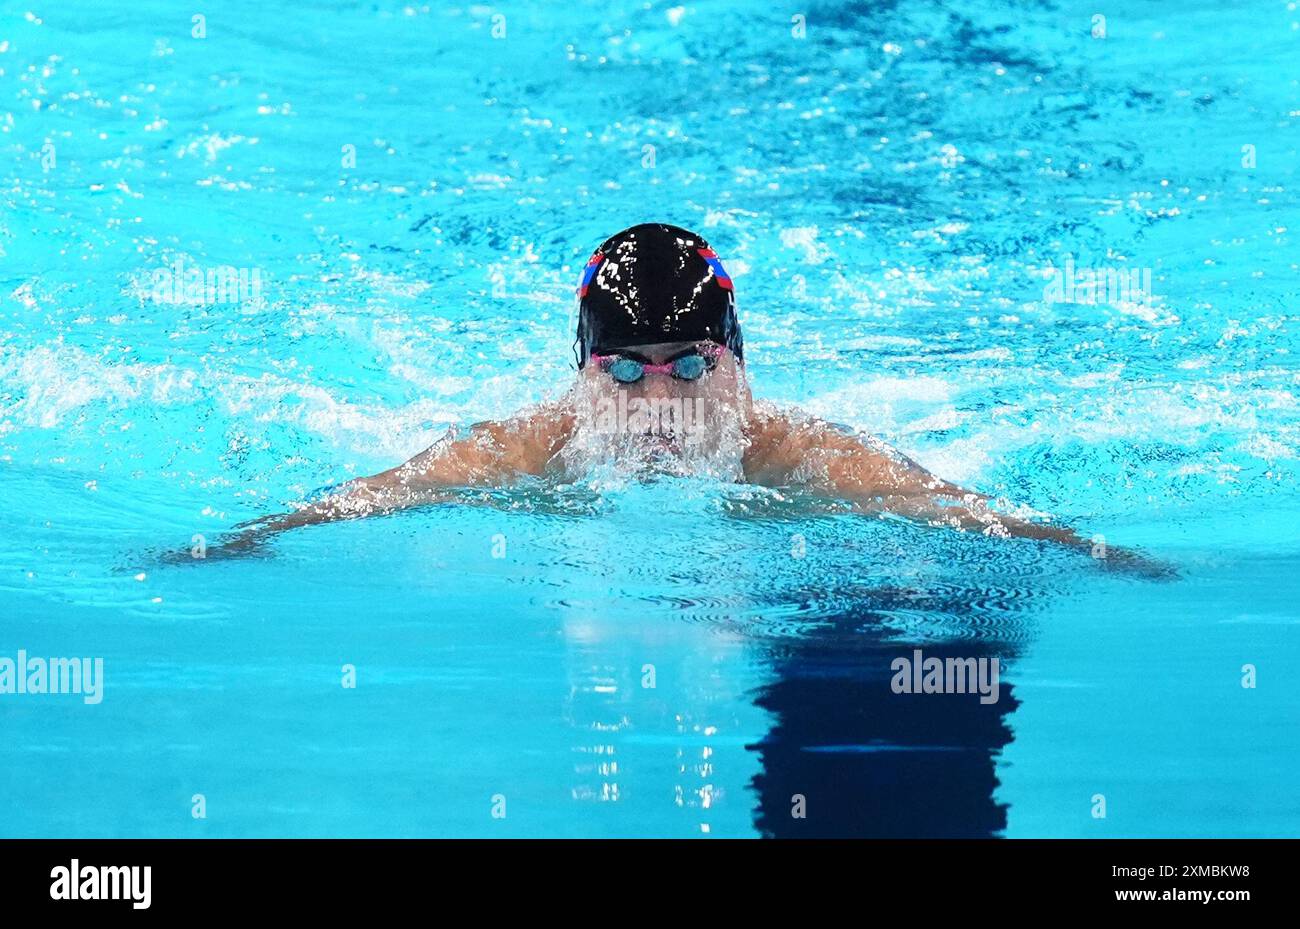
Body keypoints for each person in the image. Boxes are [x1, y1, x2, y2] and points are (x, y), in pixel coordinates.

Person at [202, 222, 1166, 575]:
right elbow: (368, 498)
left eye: (690, 367)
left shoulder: (802, 459)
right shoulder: (517, 451)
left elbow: (964, 513)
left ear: (739, 369)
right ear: (582, 382)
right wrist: (246, 537)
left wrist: (1096, 552)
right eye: (625, 370)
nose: (657, 398)